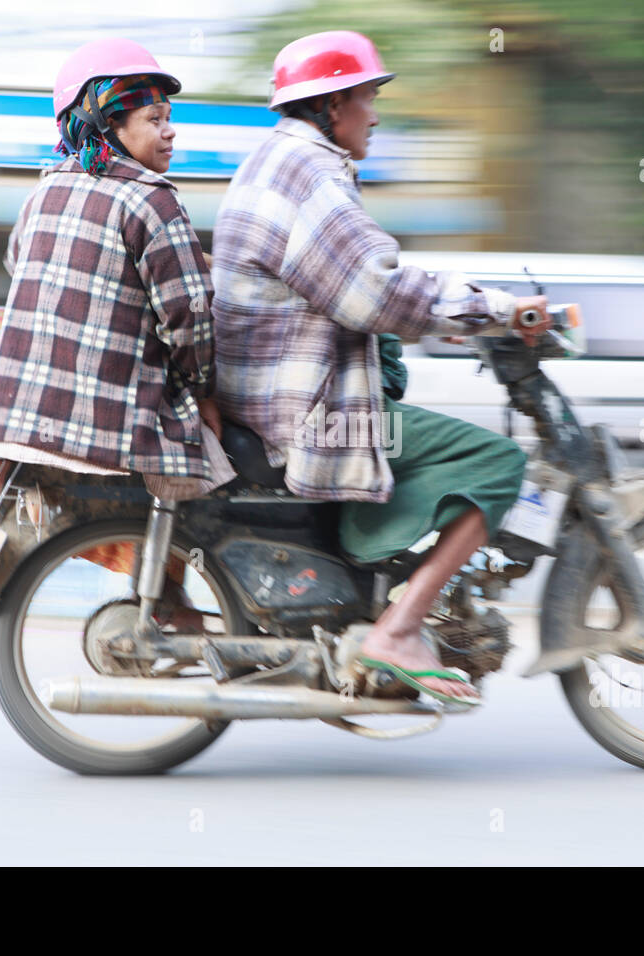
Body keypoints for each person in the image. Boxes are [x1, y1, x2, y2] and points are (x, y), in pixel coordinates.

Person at [210, 31, 546, 705]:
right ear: (334, 104)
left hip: (268, 393)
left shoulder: (278, 160)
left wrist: (446, 320)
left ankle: (378, 592)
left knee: (398, 390)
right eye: (368, 96)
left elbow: (356, 291)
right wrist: (501, 310)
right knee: (498, 463)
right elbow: (374, 287)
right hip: (303, 414)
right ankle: (396, 630)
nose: (376, 112)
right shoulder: (310, 173)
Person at [0, 38, 234, 628]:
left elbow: (25, 266)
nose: (170, 133)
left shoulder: (44, 191)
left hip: (16, 413)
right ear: (109, 124)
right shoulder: (154, 202)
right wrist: (206, 392)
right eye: (154, 119)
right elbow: (188, 319)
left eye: (170, 119)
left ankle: (165, 595)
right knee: (216, 457)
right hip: (105, 421)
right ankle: (172, 599)